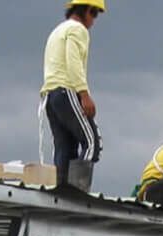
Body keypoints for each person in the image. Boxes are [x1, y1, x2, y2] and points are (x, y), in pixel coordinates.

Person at [40, 1, 104, 192]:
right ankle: (77, 193)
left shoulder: (58, 31)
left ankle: (61, 191)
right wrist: (84, 94)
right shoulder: (78, 29)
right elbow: (73, 61)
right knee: (92, 142)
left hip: (50, 96)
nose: (93, 21)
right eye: (94, 14)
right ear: (86, 10)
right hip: (67, 90)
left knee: (65, 148)